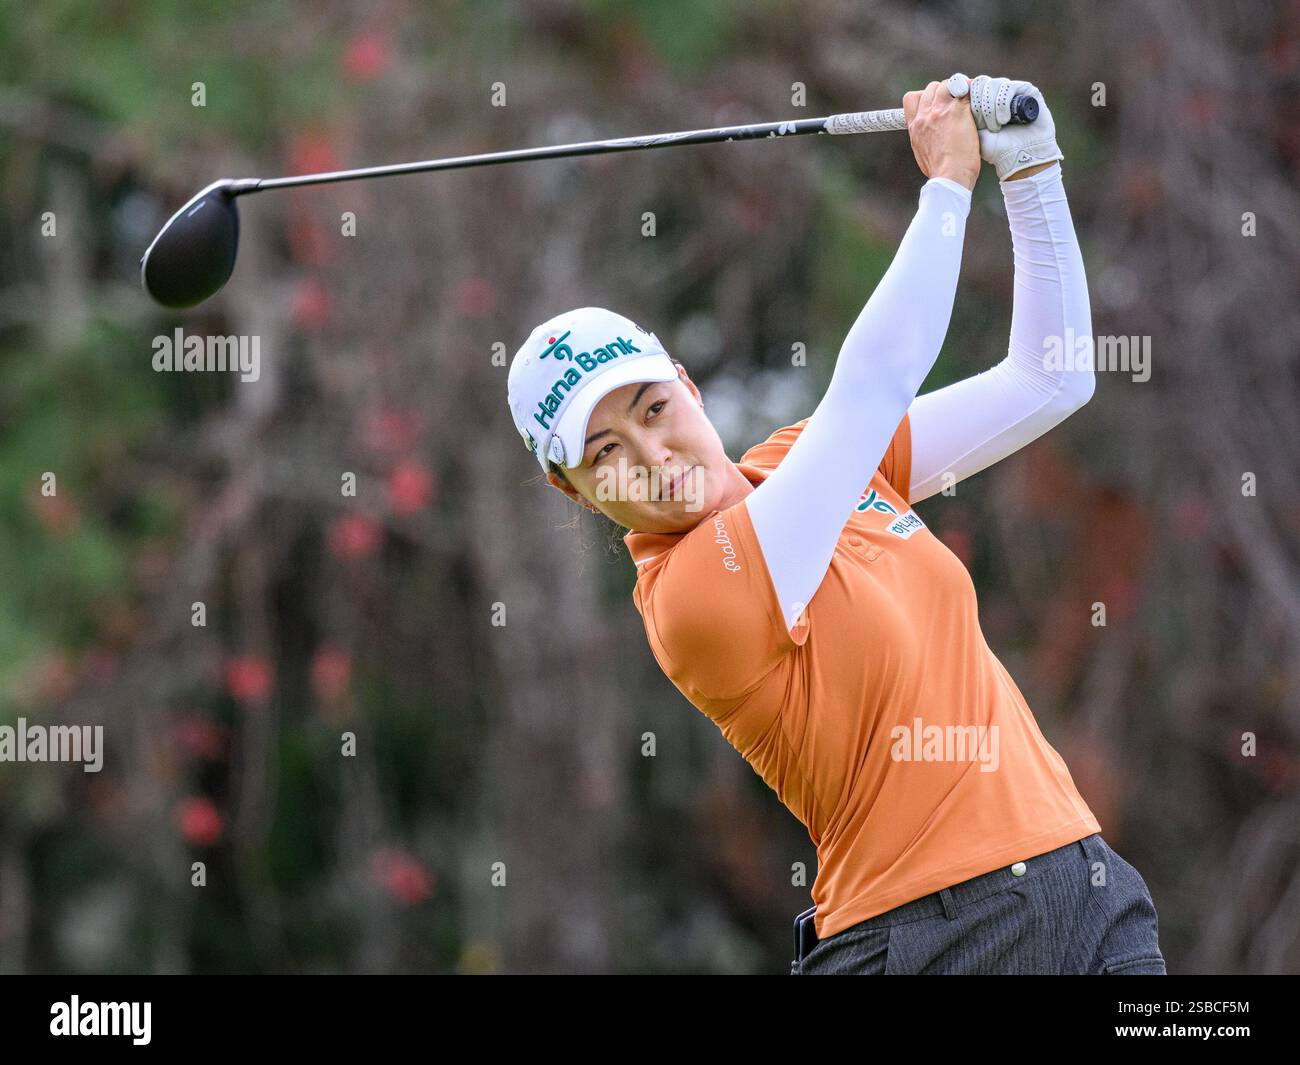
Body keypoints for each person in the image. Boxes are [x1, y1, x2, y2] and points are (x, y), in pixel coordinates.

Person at [506, 75, 1165, 975]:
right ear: (575, 492)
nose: (654, 457)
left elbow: (1051, 378)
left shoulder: (802, 461)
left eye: (655, 409)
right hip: (928, 938)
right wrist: (944, 187)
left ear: (690, 389)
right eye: (606, 452)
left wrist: (1031, 166)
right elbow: (874, 382)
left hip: (1086, 890)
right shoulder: (692, 598)